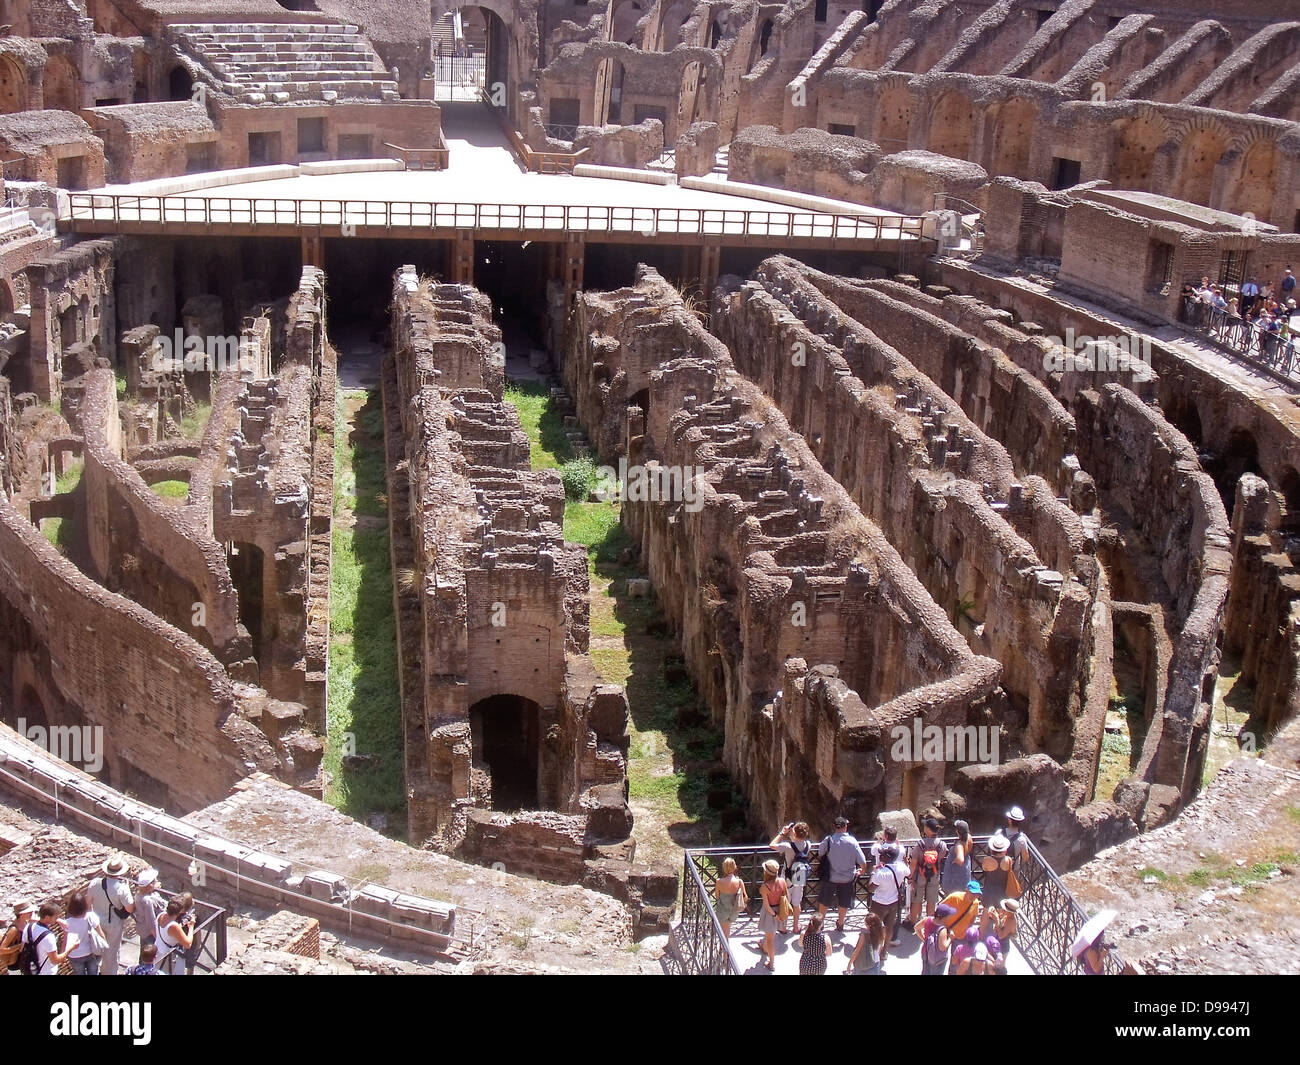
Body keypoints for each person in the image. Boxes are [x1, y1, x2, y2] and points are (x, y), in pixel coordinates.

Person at [816, 815, 866, 932]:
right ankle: (841, 923)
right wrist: (862, 870)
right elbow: (862, 861)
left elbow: (820, 852)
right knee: (844, 901)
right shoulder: (853, 842)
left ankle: (821, 923)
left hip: (830, 877)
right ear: (846, 827)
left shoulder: (828, 840)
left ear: (834, 827)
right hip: (847, 879)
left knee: (825, 900)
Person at [88, 855, 134, 976]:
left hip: (96, 921)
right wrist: (127, 889)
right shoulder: (122, 888)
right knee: (111, 950)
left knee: (95, 946)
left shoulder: (94, 884)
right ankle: (108, 973)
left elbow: (88, 904)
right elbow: (130, 908)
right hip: (113, 922)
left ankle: (94, 970)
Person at [867, 843, 909, 958]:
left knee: (874, 927)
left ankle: (874, 951)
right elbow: (909, 873)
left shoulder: (881, 873)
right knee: (889, 927)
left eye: (883, 855)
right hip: (894, 903)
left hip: (879, 903)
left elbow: (870, 888)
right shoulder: (901, 868)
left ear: (887, 857)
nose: (880, 856)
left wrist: (873, 872)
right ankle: (884, 952)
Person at [770, 821, 812, 933]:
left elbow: (772, 845)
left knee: (785, 902)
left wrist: (782, 833)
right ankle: (795, 927)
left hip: (787, 878)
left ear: (794, 832)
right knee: (796, 903)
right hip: (800, 877)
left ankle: (783, 927)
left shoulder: (788, 846)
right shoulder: (808, 844)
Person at [909, 816, 948, 924]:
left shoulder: (919, 844)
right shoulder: (942, 845)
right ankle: (929, 923)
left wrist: (910, 876)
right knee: (931, 900)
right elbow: (940, 858)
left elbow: (913, 863)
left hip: (920, 875)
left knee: (917, 899)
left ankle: (913, 922)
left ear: (928, 830)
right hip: (934, 874)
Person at [22, 903, 79, 975]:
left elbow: (22, 949)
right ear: (47, 917)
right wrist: (71, 948)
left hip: (30, 970)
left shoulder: (28, 927)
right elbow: (55, 960)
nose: (56, 919)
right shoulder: (48, 936)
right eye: (55, 917)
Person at [756, 860, 788, 971]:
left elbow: (767, 906)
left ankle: (771, 963)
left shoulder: (765, 887)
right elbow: (785, 897)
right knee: (771, 935)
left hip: (770, 914)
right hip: (779, 909)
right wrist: (780, 915)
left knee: (770, 940)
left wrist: (775, 915)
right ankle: (764, 948)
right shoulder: (782, 882)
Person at [63, 891, 104, 976]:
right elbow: (101, 934)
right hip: (90, 951)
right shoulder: (91, 917)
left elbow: (65, 941)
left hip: (74, 955)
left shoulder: (66, 923)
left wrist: (63, 954)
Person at [155, 899, 195, 976]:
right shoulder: (173, 925)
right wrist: (191, 926)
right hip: (168, 957)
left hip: (158, 950)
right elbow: (188, 944)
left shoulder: (161, 915)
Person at [133, 868, 166, 958]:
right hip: (149, 934)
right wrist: (158, 938)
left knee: (144, 954)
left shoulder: (138, 895)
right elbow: (151, 922)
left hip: (142, 930)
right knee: (150, 956)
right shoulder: (147, 901)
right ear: (150, 885)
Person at [915, 903, 954, 975]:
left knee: (925, 972)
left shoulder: (927, 920)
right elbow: (943, 947)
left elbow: (916, 928)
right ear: (944, 917)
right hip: (938, 958)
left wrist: (924, 939)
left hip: (925, 952)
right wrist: (951, 938)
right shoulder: (942, 929)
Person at [714, 857, 747, 939]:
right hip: (734, 911)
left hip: (722, 910)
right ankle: (724, 950)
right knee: (727, 933)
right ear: (734, 867)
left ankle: (724, 951)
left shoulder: (719, 881)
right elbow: (745, 897)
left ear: (724, 868)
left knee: (723, 935)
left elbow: (717, 897)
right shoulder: (739, 882)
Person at [1, 901, 37, 975]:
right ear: (21, 914)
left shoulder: (25, 922)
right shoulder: (14, 930)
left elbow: (35, 920)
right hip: (16, 965)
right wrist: (20, 946)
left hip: (24, 961)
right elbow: (2, 950)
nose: (31, 913)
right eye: (29, 912)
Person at [980, 831, 1014, 907]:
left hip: (989, 891)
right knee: (1001, 913)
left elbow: (984, 869)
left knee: (986, 911)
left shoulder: (987, 860)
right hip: (1003, 891)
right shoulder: (1008, 860)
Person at [941, 819, 972, 895]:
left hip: (955, 875)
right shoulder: (969, 838)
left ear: (958, 831)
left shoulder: (959, 844)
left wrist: (953, 861)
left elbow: (960, 860)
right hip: (965, 871)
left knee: (953, 896)